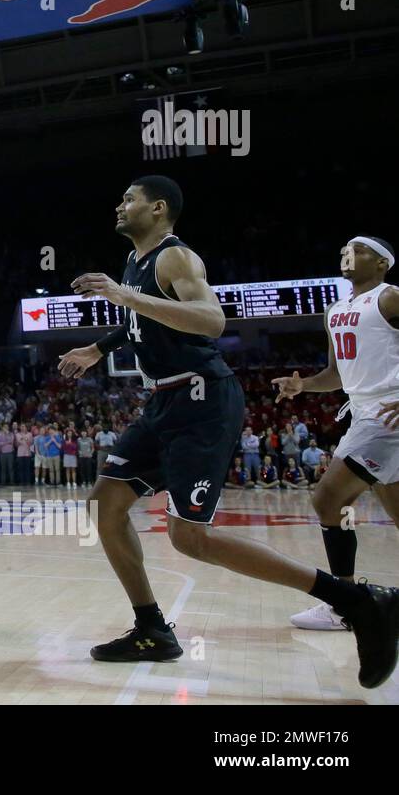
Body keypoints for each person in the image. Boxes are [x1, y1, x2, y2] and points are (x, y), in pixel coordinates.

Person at [58, 176, 399, 688]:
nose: (118, 204)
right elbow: (142, 324)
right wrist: (99, 349)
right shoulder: (135, 262)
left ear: (158, 208)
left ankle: (353, 600)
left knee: (189, 538)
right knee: (104, 505)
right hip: (165, 401)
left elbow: (210, 320)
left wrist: (126, 295)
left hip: (203, 400)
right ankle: (152, 629)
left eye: (128, 198)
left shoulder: (178, 258)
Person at [273, 237, 399, 632]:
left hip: (388, 412)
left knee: (327, 497)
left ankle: (346, 605)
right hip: (361, 411)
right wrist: (303, 386)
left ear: (381, 263)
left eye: (358, 250)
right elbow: (336, 375)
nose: (347, 254)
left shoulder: (390, 297)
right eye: (343, 249)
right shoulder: (335, 310)